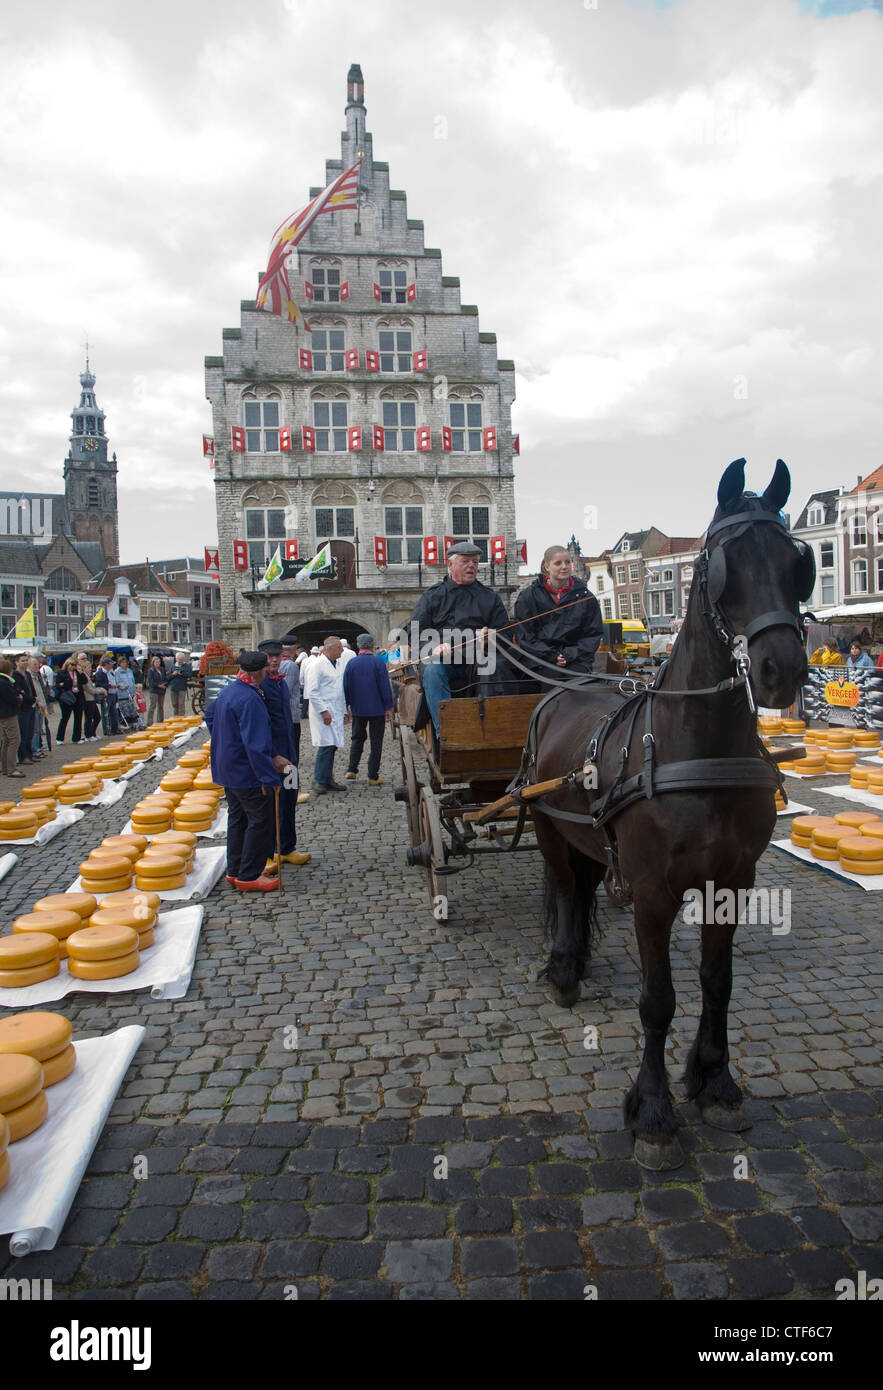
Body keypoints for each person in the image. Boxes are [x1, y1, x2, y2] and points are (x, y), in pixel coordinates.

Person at [407, 540, 509, 735]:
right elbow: (415, 632)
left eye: (475, 562)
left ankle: (493, 728)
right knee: (433, 670)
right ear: (450, 564)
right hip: (444, 660)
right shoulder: (432, 596)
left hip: (479, 659)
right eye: (466, 561)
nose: (472, 566)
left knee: (495, 666)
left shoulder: (490, 598)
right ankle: (446, 732)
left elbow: (505, 631)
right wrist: (432, 647)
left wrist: (491, 637)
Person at [204, 650, 281, 892]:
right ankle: (249, 874)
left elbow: (209, 715)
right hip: (247, 772)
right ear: (259, 672)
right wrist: (269, 776)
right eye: (266, 670)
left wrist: (225, 740)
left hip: (228, 768)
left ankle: (235, 869)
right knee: (259, 820)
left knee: (238, 819)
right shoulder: (250, 699)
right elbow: (256, 744)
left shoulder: (229, 690)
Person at [257, 639, 311, 868]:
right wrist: (271, 755)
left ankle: (287, 847)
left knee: (289, 799)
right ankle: (270, 851)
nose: (274, 660)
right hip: (273, 756)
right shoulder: (261, 684)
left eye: (277, 656)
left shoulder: (279, 681)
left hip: (289, 753)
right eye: (270, 657)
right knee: (271, 805)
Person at [513, 545, 603, 682]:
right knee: (548, 680)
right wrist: (551, 655)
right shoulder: (528, 597)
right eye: (558, 563)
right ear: (547, 567)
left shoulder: (586, 597)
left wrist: (570, 654)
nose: (564, 567)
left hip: (576, 661)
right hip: (539, 661)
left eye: (568, 562)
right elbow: (525, 636)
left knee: (578, 685)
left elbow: (592, 635)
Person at [344, 634, 394, 784]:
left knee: (357, 739)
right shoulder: (378, 663)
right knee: (376, 742)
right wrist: (388, 707)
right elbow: (385, 687)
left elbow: (346, 686)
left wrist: (346, 705)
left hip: (358, 708)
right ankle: (373, 776)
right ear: (372, 646)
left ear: (358, 646)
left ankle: (352, 769)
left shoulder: (351, 663)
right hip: (377, 708)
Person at [304, 635, 349, 792]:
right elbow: (313, 691)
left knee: (333, 745)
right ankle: (319, 779)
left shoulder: (336, 664)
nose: (342, 651)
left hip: (335, 709)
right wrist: (324, 711)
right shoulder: (317, 665)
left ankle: (328, 778)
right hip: (323, 712)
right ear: (330, 648)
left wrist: (344, 711)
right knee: (326, 745)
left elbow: (339, 690)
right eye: (339, 648)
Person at [0, 657, 23, 778]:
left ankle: (5, 767)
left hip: (3, 714)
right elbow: (11, 698)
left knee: (7, 741)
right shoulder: (4, 682)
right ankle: (11, 769)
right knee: (14, 740)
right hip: (8, 714)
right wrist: (18, 698)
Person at [12, 653, 37, 766]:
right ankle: (23, 756)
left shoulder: (27, 673)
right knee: (23, 732)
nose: (25, 662)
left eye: (26, 660)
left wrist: (35, 698)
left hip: (31, 705)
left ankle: (29, 754)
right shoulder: (15, 676)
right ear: (16, 662)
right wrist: (31, 699)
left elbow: (31, 687)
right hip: (23, 708)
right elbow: (20, 691)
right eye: (23, 661)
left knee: (30, 732)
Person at [55, 655, 85, 744]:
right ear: (67, 664)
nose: (73, 667)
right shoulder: (62, 673)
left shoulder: (77, 673)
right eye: (71, 664)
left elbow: (84, 681)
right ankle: (60, 738)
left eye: (75, 665)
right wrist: (66, 683)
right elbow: (58, 685)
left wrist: (81, 672)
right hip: (67, 697)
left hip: (78, 696)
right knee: (65, 718)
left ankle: (76, 738)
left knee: (78, 718)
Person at [27, 656, 50, 757]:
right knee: (35, 730)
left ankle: (36, 748)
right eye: (34, 664)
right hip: (35, 705)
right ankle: (34, 750)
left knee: (38, 729)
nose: (37, 666)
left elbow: (41, 691)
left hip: (41, 705)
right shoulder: (29, 677)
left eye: (37, 664)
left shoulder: (37, 676)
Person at [78, 653, 102, 741]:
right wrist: (100, 690)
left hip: (91, 699)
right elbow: (89, 689)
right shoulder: (84, 677)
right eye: (88, 667)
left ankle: (92, 733)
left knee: (97, 717)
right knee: (89, 718)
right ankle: (88, 735)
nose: (90, 669)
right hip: (88, 699)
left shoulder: (87, 677)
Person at [95, 654, 120, 735]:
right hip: (106, 695)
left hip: (113, 694)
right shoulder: (100, 673)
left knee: (114, 713)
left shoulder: (111, 672)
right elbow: (98, 684)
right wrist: (110, 686)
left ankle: (114, 729)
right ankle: (106, 730)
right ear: (106, 664)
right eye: (110, 664)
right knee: (105, 713)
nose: (112, 665)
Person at [114, 654, 137, 728]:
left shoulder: (129, 671)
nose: (124, 664)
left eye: (125, 662)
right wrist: (123, 687)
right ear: (119, 663)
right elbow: (117, 682)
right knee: (124, 710)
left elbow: (132, 681)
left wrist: (134, 689)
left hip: (131, 693)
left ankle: (133, 723)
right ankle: (124, 723)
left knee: (132, 709)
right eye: (122, 662)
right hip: (122, 694)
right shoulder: (117, 672)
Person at [168, 651, 193, 717]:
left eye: (182, 659)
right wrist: (173, 674)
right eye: (179, 659)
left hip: (182, 687)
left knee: (181, 704)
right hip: (173, 688)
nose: (181, 661)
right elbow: (168, 677)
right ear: (176, 659)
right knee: (174, 704)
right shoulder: (172, 666)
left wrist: (182, 673)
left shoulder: (186, 666)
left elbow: (190, 675)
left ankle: (181, 717)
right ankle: (176, 716)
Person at [146, 655, 168, 724]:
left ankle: (160, 720)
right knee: (152, 706)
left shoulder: (162, 669)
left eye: (158, 662)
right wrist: (158, 685)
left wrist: (165, 685)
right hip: (154, 690)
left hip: (162, 690)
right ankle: (149, 721)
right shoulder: (151, 670)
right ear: (153, 663)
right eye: (156, 662)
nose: (158, 663)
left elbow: (165, 678)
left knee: (161, 706)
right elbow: (151, 681)